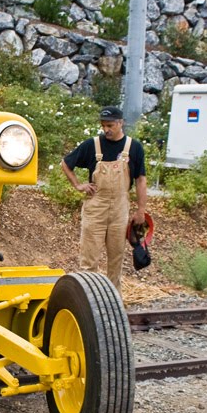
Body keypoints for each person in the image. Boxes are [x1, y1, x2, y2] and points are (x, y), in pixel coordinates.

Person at [61, 105, 147, 289]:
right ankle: (87, 301)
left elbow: (141, 180)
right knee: (89, 260)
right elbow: (66, 163)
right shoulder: (92, 145)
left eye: (110, 125)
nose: (106, 129)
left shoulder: (134, 148)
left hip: (120, 210)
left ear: (120, 123)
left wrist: (141, 210)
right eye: (103, 125)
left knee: (116, 259)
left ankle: (114, 300)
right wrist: (78, 185)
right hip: (95, 209)